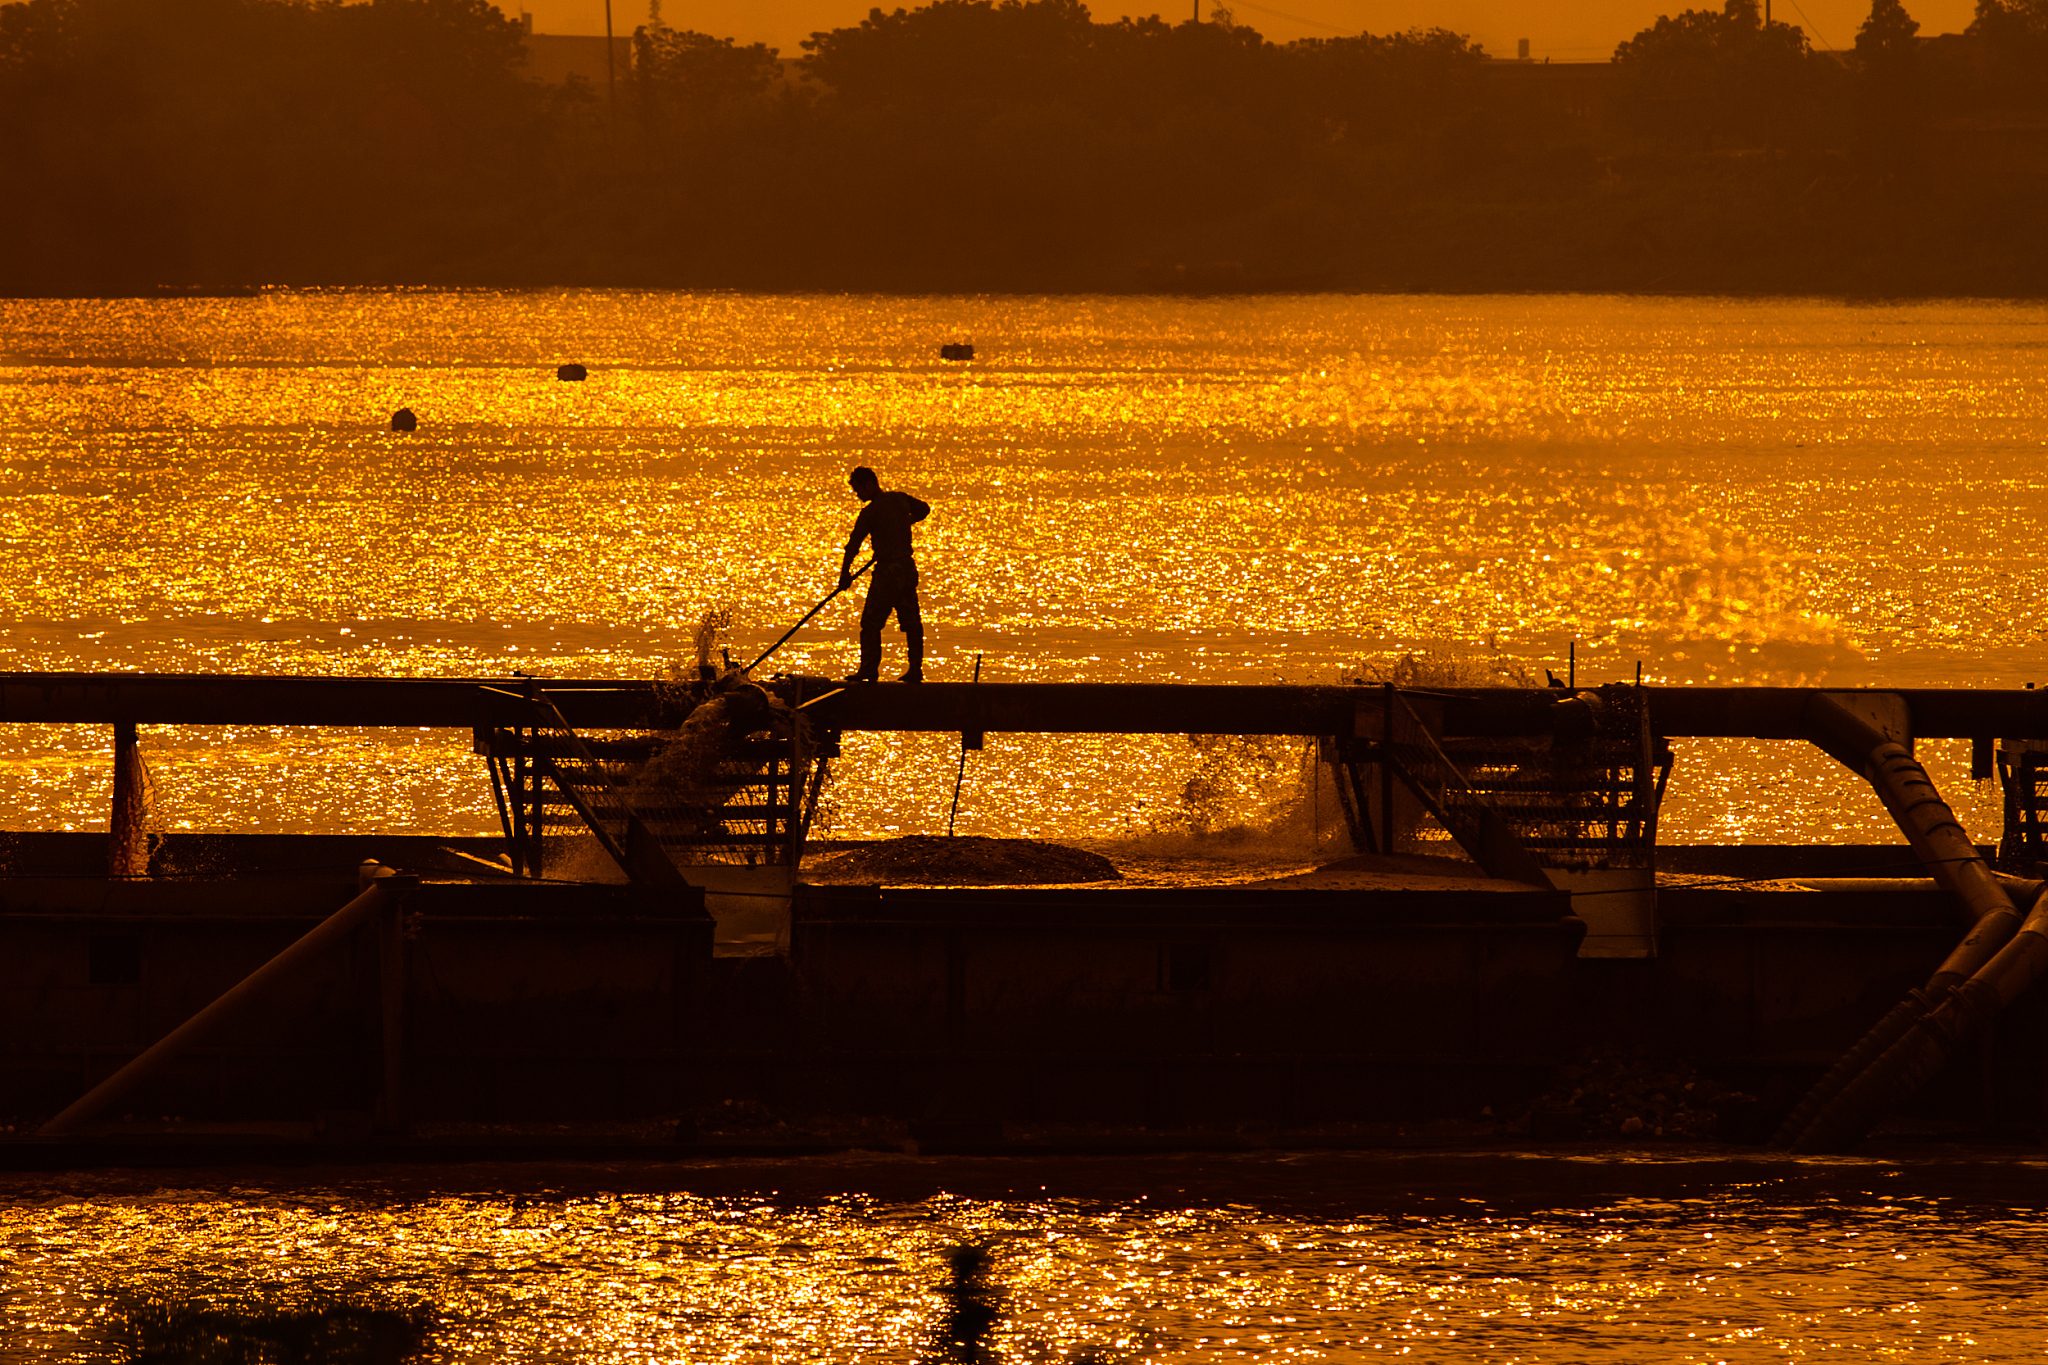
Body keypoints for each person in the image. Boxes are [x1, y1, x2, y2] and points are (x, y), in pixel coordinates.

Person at [839, 466, 930, 683]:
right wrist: (908, 520)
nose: (857, 495)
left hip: (889, 572)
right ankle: (915, 669)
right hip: (907, 569)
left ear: (870, 485)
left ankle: (869, 670)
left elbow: (853, 545)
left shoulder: (870, 512)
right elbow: (924, 510)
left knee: (870, 623)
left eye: (859, 489)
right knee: (911, 622)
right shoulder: (900, 500)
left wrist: (844, 574)